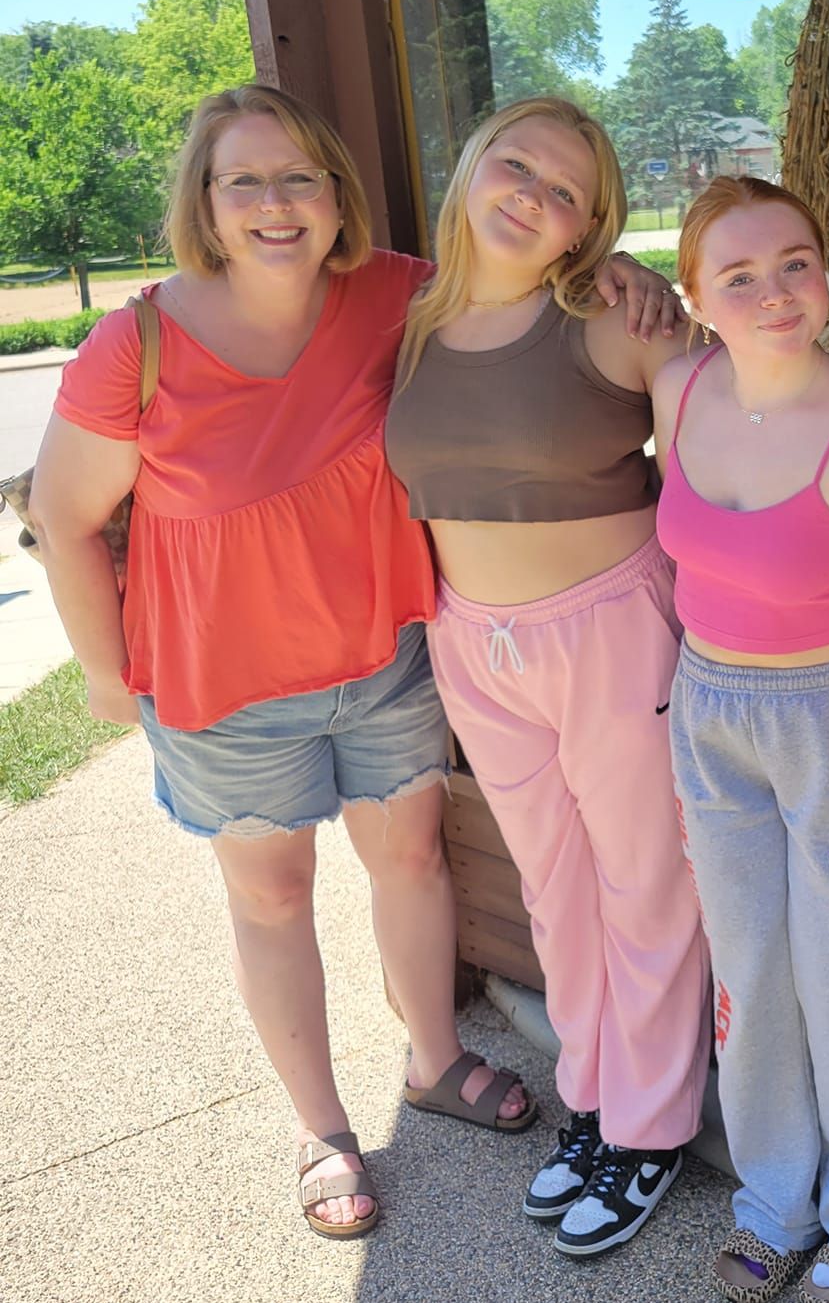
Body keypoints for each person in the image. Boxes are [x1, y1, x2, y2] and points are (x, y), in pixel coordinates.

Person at [28, 83, 674, 1240]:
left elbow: (532, 283)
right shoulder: (138, 342)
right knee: (272, 894)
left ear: (338, 197)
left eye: (300, 179)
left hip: (387, 655)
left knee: (416, 860)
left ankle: (437, 1060)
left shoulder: (398, 296)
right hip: (223, 683)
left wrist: (631, 274)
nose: (276, 204)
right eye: (245, 181)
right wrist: (99, 670)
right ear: (207, 204)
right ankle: (324, 1128)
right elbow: (67, 516)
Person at [384, 96, 711, 1260]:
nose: (534, 193)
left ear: (589, 228)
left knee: (645, 880)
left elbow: (757, 395)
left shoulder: (609, 320)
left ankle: (654, 1124)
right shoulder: (405, 315)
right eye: (517, 164)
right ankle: (593, 1095)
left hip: (614, 630)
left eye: (567, 191)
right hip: (475, 640)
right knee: (555, 887)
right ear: (472, 165)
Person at [655, 175, 829, 1303]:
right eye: (739, 274)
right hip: (710, 712)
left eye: (796, 263)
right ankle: (775, 1200)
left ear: (827, 272)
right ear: (695, 296)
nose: (775, 292)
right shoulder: (675, 388)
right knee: (752, 966)